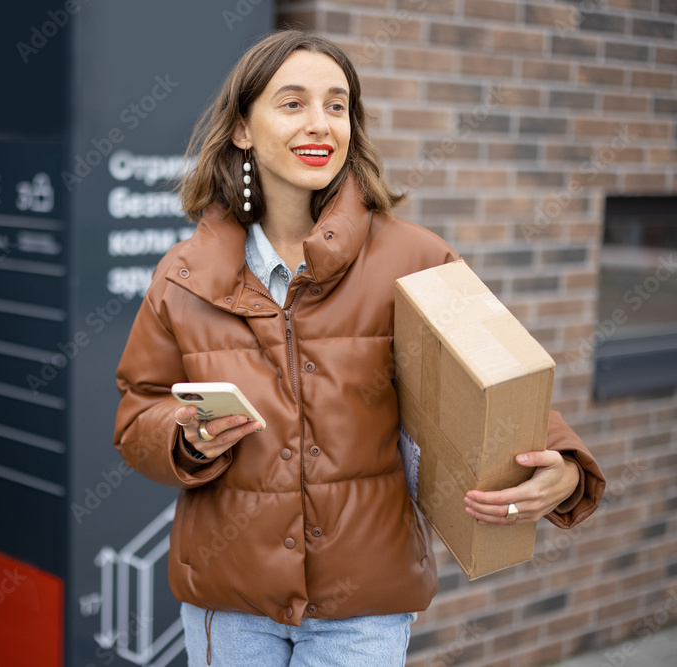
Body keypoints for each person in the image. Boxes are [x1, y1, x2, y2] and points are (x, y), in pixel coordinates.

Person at [112, 29, 605, 666]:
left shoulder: (417, 258)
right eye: (292, 104)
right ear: (241, 128)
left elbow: (493, 385)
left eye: (337, 105)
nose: (320, 123)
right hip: (228, 600)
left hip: (363, 606)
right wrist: (184, 433)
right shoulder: (182, 275)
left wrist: (563, 470)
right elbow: (135, 416)